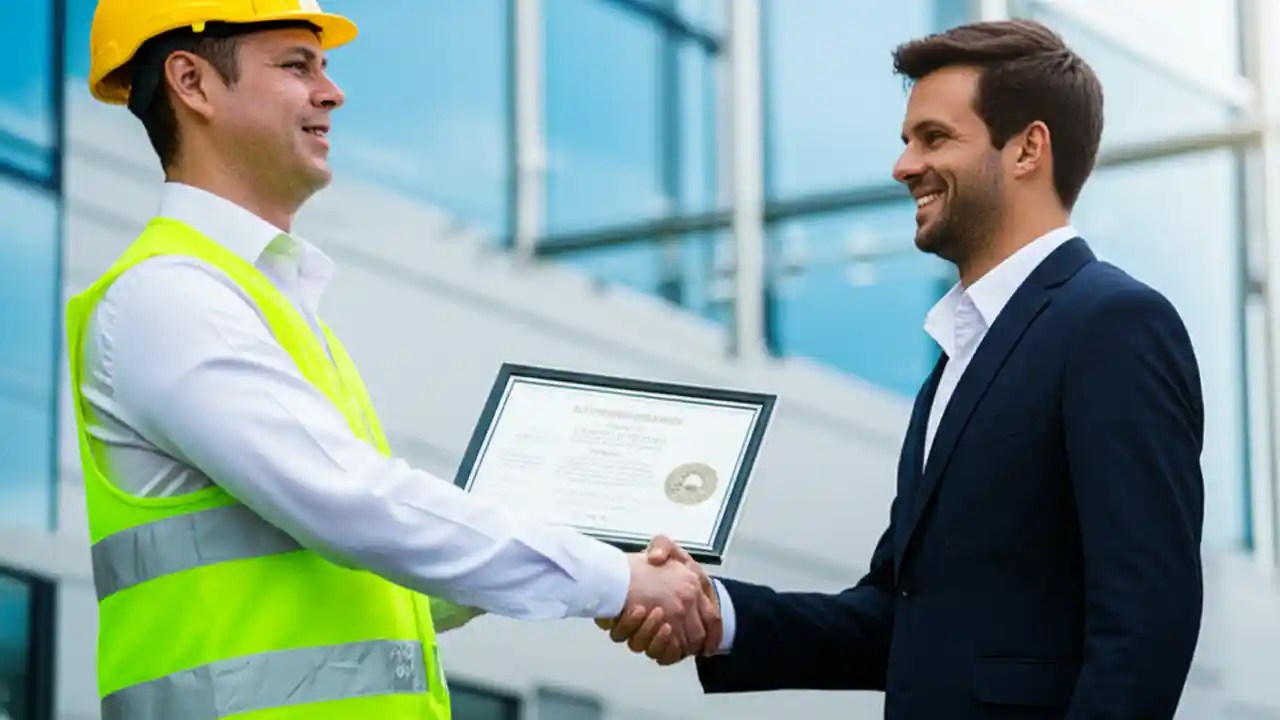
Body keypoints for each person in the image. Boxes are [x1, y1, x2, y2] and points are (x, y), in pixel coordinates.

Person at [66, 2, 718, 718]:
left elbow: (364, 567)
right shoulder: (169, 297)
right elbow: (356, 508)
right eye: (296, 65)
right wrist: (608, 576)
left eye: (325, 67)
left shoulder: (262, 303)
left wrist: (574, 556)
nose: (332, 92)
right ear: (191, 82)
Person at [603, 18, 1205, 719]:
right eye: (907, 141)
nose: (904, 166)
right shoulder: (955, 363)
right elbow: (898, 617)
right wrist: (718, 614)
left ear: (1027, 149)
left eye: (935, 138)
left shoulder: (1114, 324)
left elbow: (1146, 625)